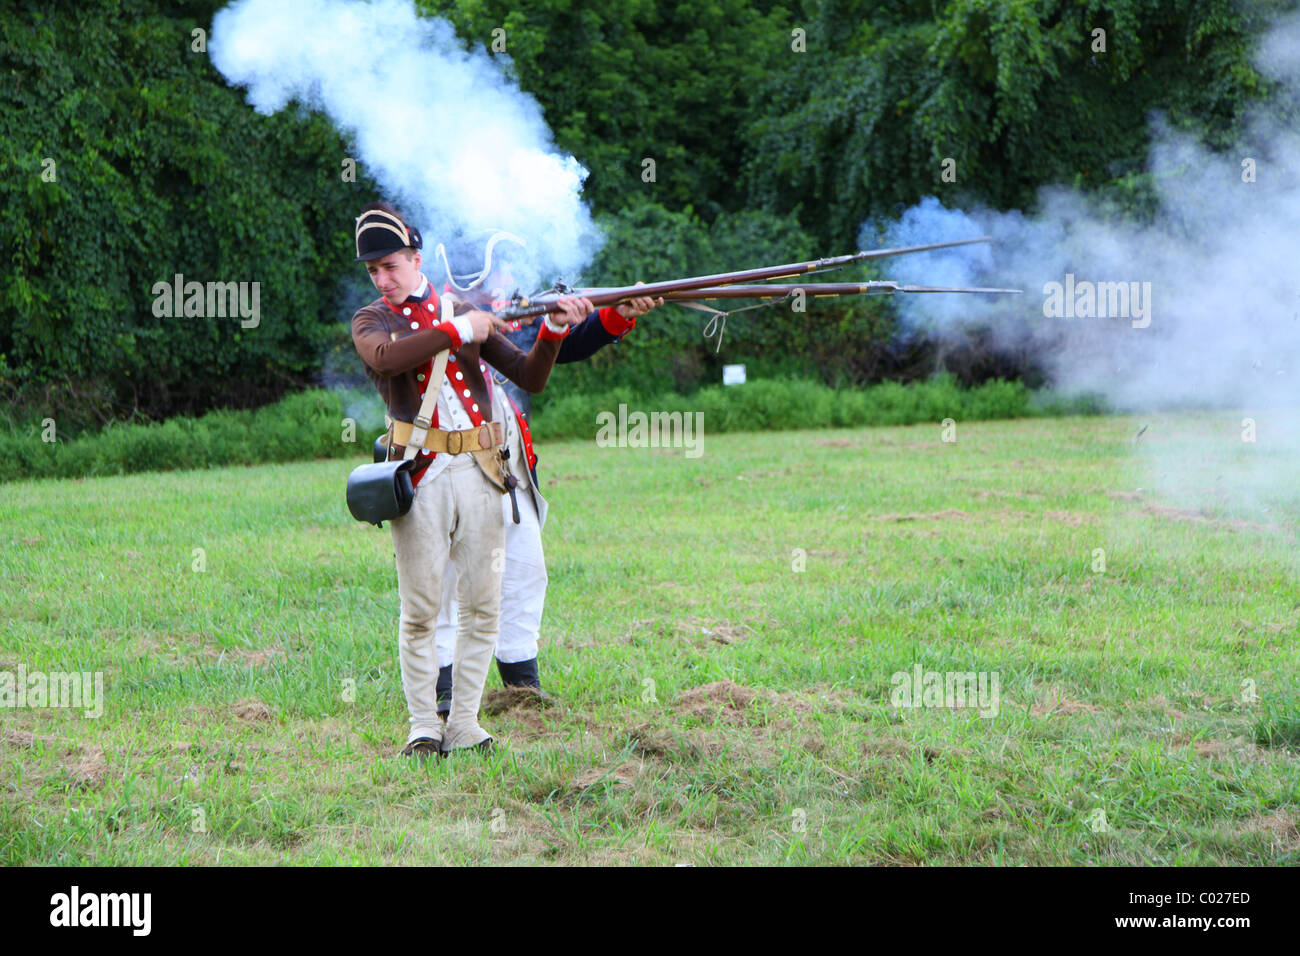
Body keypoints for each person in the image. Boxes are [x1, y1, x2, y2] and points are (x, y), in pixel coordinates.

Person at [349, 201, 592, 757]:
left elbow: (529, 374)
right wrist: (458, 326)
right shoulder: (373, 320)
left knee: (484, 606)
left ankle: (463, 723)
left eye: (390, 266)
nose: (383, 280)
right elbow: (387, 359)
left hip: (483, 471)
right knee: (422, 610)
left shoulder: (464, 310)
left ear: (415, 258)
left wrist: (553, 329)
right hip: (424, 472)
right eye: (374, 272)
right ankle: (422, 725)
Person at [431, 264, 661, 713]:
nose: (502, 280)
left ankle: (521, 687)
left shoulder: (508, 316)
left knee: (524, 570)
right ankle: (442, 689)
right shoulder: (429, 320)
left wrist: (616, 312)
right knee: (445, 581)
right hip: (444, 466)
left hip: (507, 462)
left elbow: (562, 343)